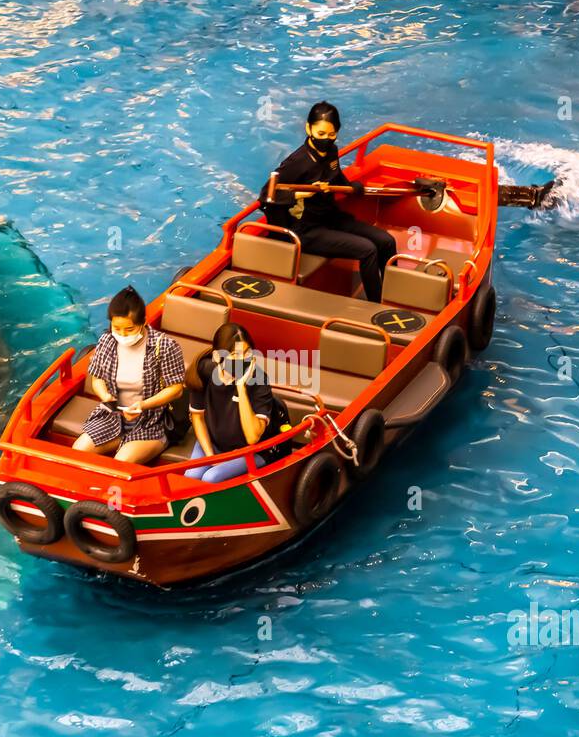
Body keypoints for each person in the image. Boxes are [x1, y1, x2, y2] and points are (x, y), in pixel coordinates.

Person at [258, 101, 397, 302]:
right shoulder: (297, 162)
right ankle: (377, 305)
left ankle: (394, 296)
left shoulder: (331, 151)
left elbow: (336, 177)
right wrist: (300, 195)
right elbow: (266, 196)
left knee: (386, 241)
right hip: (306, 229)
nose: (326, 139)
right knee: (368, 250)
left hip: (331, 218)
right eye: (321, 134)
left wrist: (352, 187)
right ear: (309, 128)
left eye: (331, 135)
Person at [74, 285, 186, 464]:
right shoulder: (106, 340)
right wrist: (104, 395)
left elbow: (176, 389)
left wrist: (143, 405)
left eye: (129, 329)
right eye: (117, 328)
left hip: (151, 423)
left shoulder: (165, 346)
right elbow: (97, 378)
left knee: (121, 463)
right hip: (111, 418)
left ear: (143, 322)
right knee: (78, 452)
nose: (122, 335)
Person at [184, 323, 289, 484]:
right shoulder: (204, 371)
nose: (242, 359)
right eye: (235, 354)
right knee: (191, 478)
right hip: (215, 442)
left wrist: (241, 388)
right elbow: (197, 417)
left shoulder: (259, 380)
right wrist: (211, 457)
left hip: (253, 451)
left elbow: (253, 437)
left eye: (246, 352)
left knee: (211, 477)